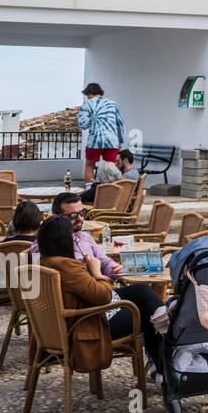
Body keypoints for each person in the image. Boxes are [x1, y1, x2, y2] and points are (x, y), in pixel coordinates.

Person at [34, 215, 167, 374]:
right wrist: (95, 272)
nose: (75, 239)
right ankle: (166, 365)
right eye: (72, 236)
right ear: (64, 240)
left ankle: (163, 359)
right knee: (148, 314)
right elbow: (104, 297)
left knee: (142, 291)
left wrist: (89, 272)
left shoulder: (44, 263)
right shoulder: (67, 267)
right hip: (84, 326)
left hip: (64, 324)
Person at [30, 192, 122, 281]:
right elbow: (40, 279)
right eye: (73, 215)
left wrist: (115, 270)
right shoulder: (44, 245)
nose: (80, 219)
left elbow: (105, 262)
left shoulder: (85, 236)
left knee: (134, 290)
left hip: (99, 289)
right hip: (88, 294)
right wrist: (97, 275)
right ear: (56, 217)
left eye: (82, 213)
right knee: (133, 292)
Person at [78, 82, 125, 184]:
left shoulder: (87, 105)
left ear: (89, 93)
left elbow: (83, 124)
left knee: (90, 165)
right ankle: (111, 192)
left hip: (95, 140)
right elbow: (120, 124)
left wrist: (93, 119)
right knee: (110, 167)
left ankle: (90, 188)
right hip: (112, 141)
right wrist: (120, 141)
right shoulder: (113, 104)